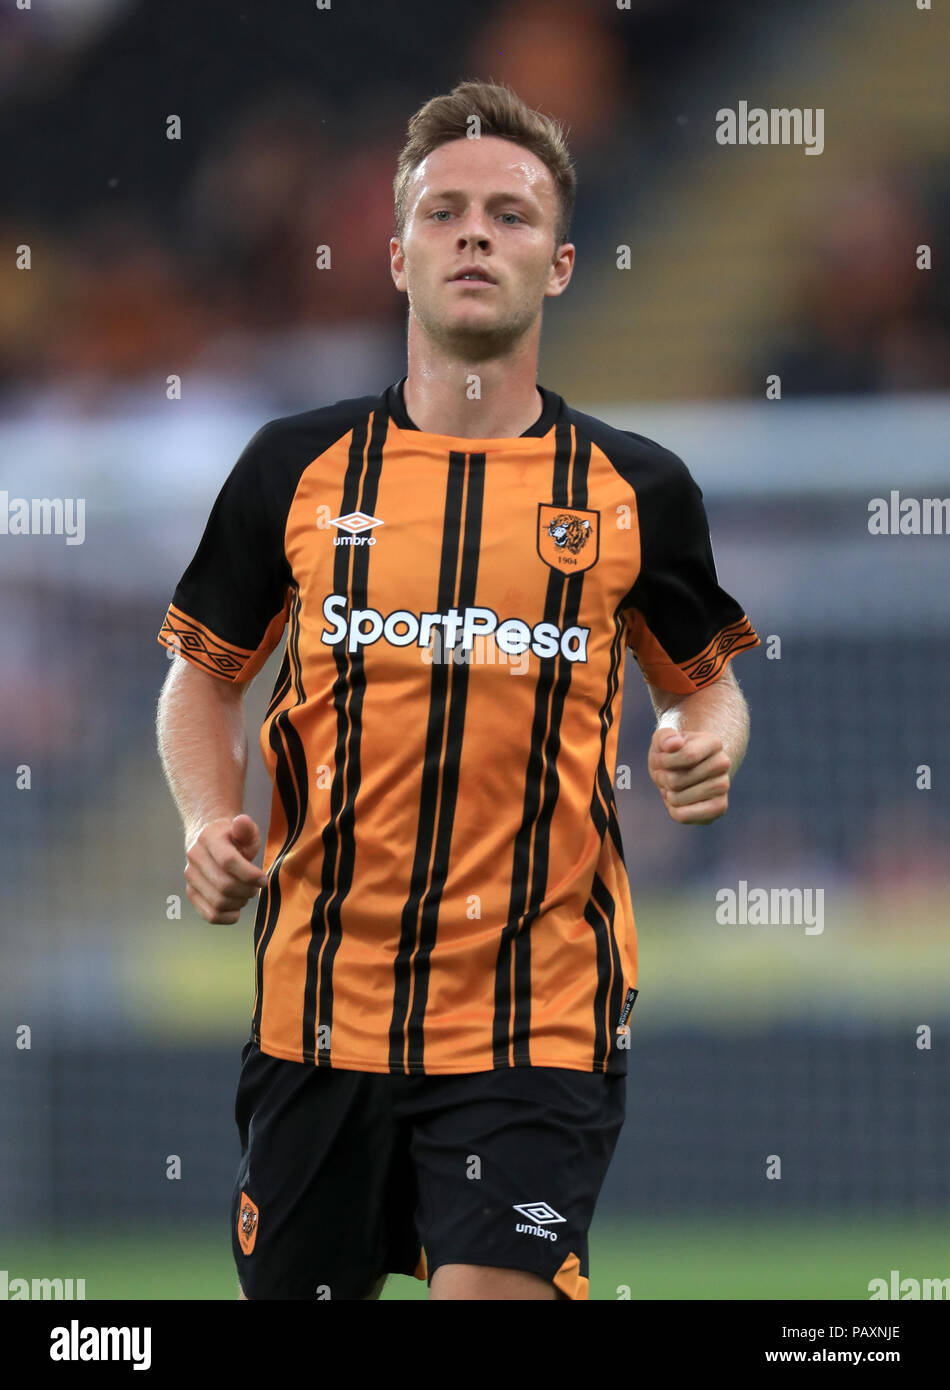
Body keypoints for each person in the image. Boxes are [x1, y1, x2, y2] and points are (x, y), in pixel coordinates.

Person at [155, 79, 760, 1302]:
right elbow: (197, 683)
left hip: (536, 1021)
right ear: (394, 256)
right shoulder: (294, 467)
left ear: (561, 262)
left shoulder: (635, 488)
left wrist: (705, 738)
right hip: (320, 1012)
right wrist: (202, 823)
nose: (474, 234)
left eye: (510, 214)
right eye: (443, 212)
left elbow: (704, 687)